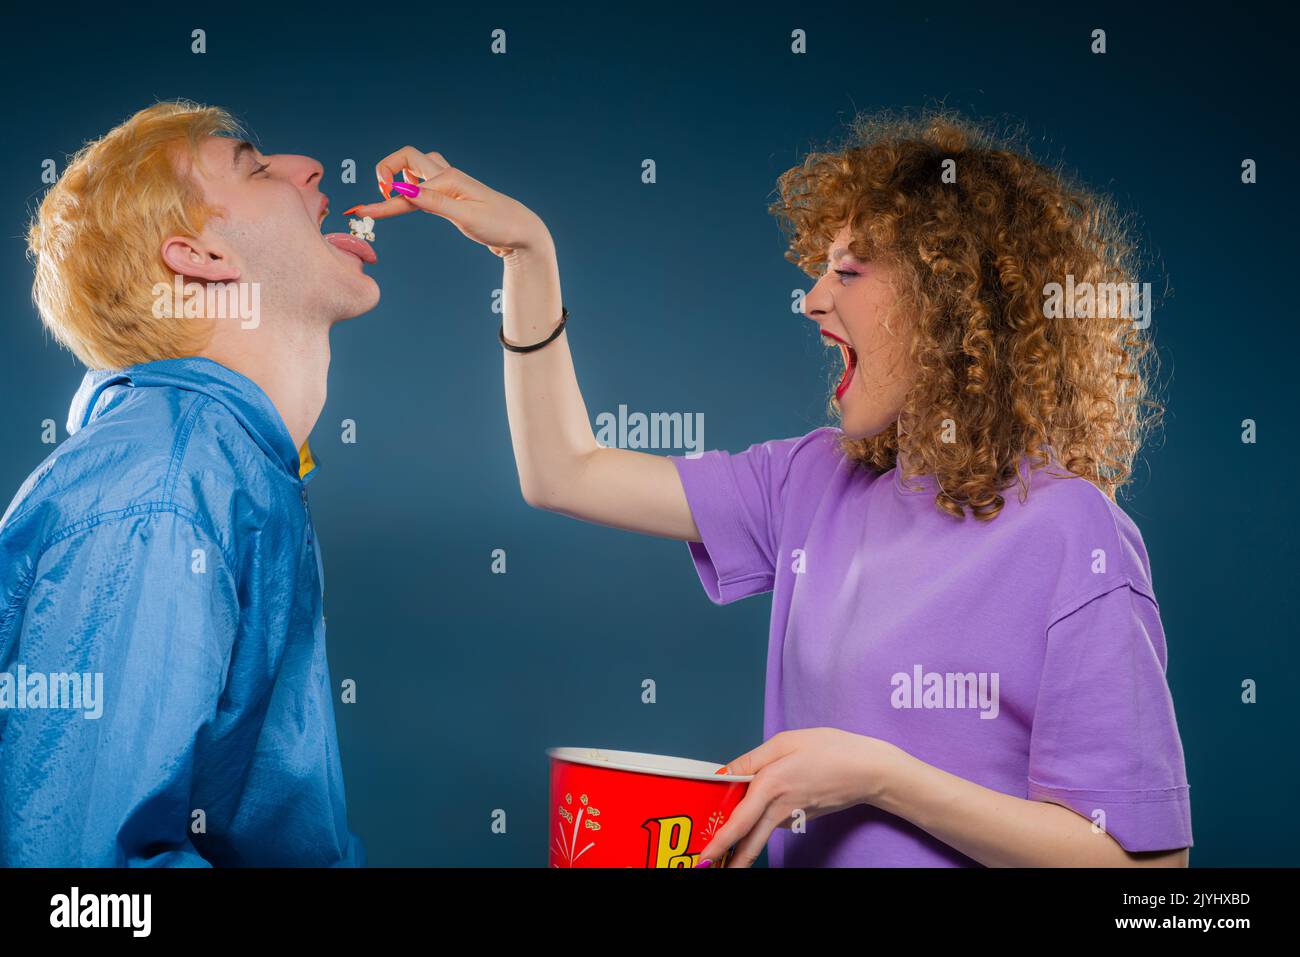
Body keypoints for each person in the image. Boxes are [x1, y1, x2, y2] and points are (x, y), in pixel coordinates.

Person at [349, 110, 1192, 867]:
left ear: (950, 303)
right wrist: (527, 251)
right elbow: (562, 471)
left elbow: (1148, 882)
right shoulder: (811, 479)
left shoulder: (1073, 533)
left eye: (851, 272)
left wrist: (883, 778)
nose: (813, 298)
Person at [0, 100, 375, 865]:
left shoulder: (232, 471)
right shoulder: (160, 491)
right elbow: (84, 888)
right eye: (259, 169)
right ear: (199, 257)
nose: (313, 171)